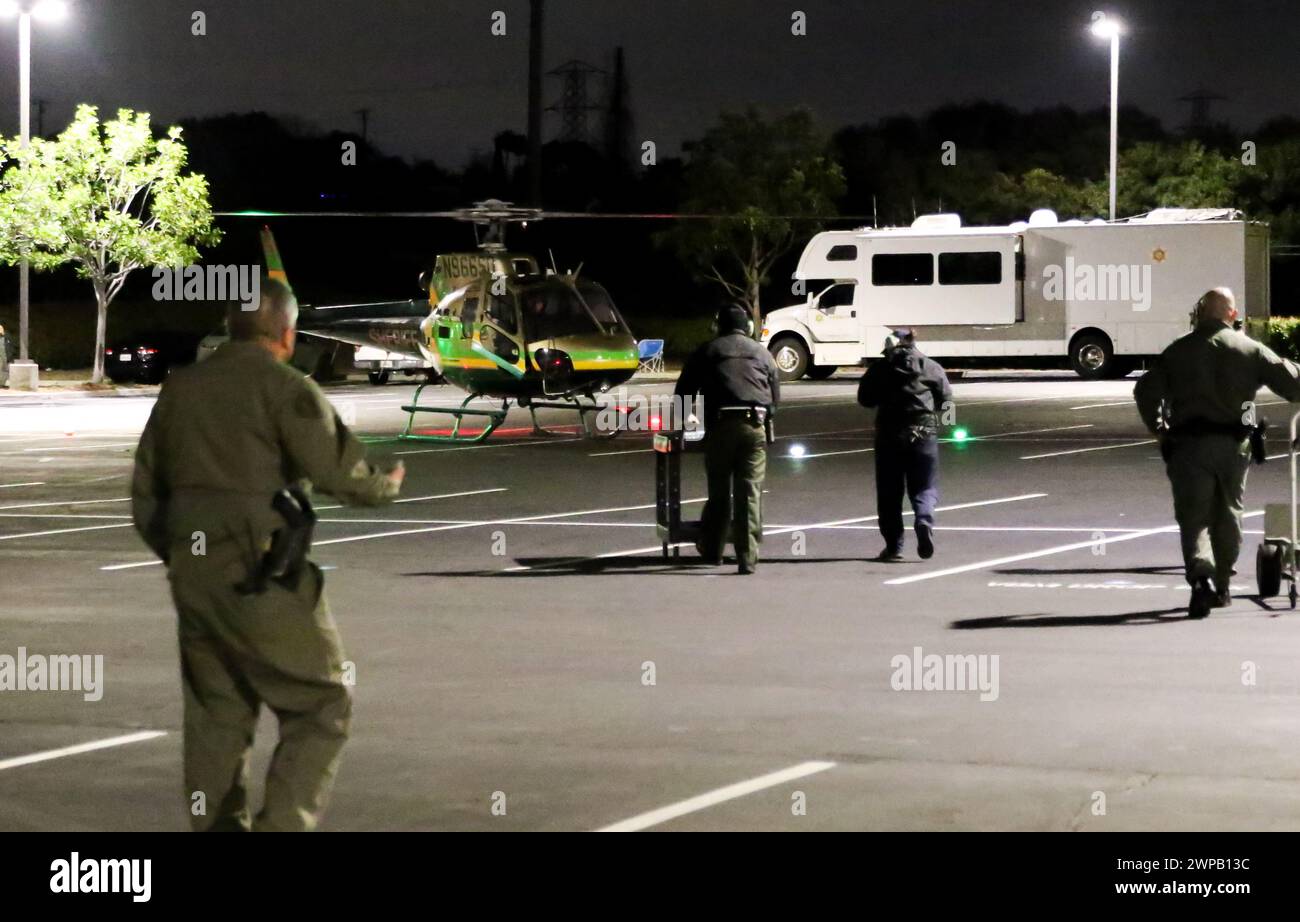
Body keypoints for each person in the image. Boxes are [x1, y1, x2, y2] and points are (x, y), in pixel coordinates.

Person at [131, 278, 405, 831]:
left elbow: (145, 494)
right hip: (262, 573)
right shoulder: (285, 387)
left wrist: (183, 555)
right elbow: (336, 471)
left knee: (216, 715)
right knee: (320, 705)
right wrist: (384, 482)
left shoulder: (181, 389)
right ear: (286, 333)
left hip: (194, 575)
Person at [1135, 287, 1300, 619]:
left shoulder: (1178, 351)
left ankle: (1200, 578)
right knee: (1229, 512)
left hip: (1188, 446)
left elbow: (1145, 390)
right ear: (1232, 315)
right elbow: (1292, 384)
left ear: (1200, 314)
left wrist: (1159, 430)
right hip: (1233, 446)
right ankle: (1223, 583)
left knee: (1193, 517)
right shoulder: (1249, 349)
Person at [673, 305, 780, 574]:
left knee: (719, 492)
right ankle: (747, 557)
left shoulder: (709, 350)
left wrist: (682, 425)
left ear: (718, 325)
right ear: (748, 327)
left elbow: (684, 390)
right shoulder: (762, 353)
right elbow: (775, 398)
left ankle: (712, 550)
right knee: (750, 493)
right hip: (754, 426)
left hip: (720, 427)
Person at [857, 328, 953, 562]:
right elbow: (946, 399)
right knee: (925, 485)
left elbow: (864, 399)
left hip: (889, 434)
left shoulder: (880, 368)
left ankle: (894, 546)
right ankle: (923, 519)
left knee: (890, 492)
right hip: (923, 433)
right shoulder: (931, 366)